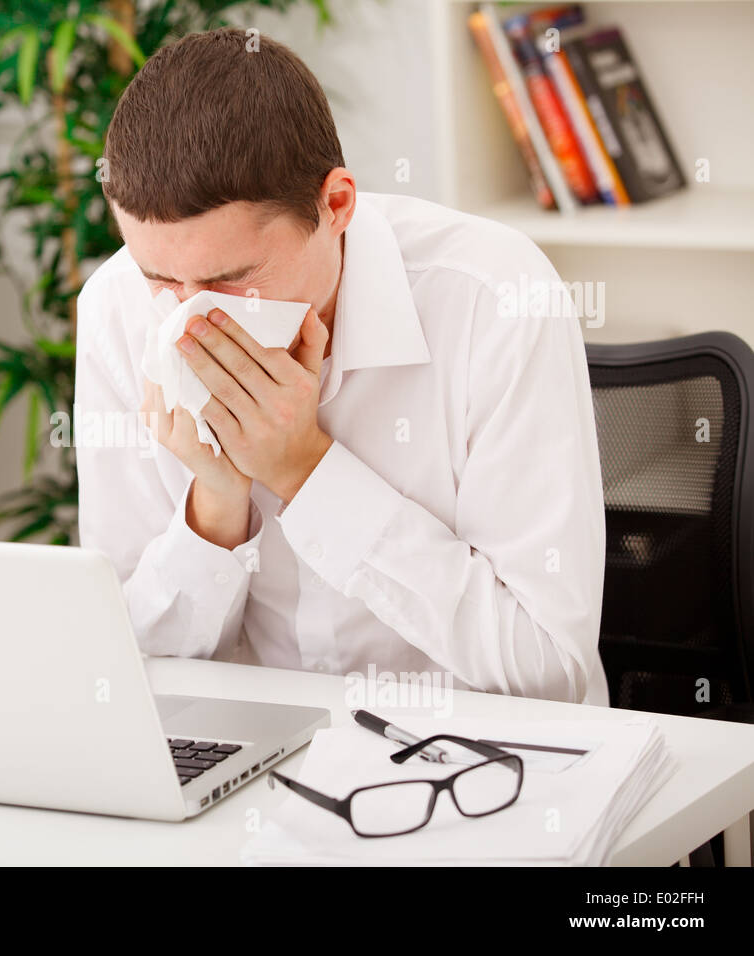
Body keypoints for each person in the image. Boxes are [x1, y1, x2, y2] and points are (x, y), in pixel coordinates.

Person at [74, 27, 608, 705]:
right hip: (253, 768)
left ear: (336, 206)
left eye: (231, 280)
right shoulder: (118, 309)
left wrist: (305, 471)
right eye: (160, 278)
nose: (191, 319)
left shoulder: (496, 300)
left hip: (478, 763)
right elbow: (126, 666)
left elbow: (547, 669)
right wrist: (214, 508)